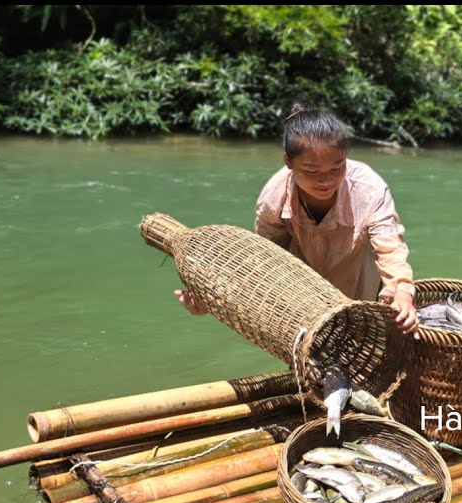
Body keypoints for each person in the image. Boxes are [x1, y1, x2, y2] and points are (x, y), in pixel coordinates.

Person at [176, 104, 419, 334]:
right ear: (288, 163)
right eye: (311, 171)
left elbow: (390, 248)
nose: (325, 180)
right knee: (309, 349)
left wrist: (403, 291)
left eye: (337, 168)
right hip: (303, 284)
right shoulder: (275, 197)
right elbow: (262, 259)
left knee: (356, 335)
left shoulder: (368, 187)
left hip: (357, 274)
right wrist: (212, 298)